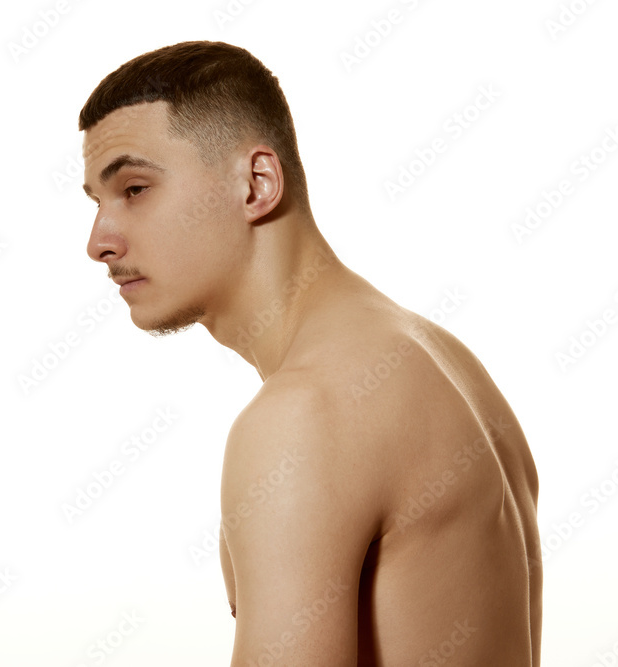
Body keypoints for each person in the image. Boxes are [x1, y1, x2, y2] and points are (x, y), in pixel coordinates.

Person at [78, 40, 541, 666]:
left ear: (256, 184)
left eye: (134, 188)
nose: (99, 241)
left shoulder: (304, 413)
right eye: (96, 203)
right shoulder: (446, 361)